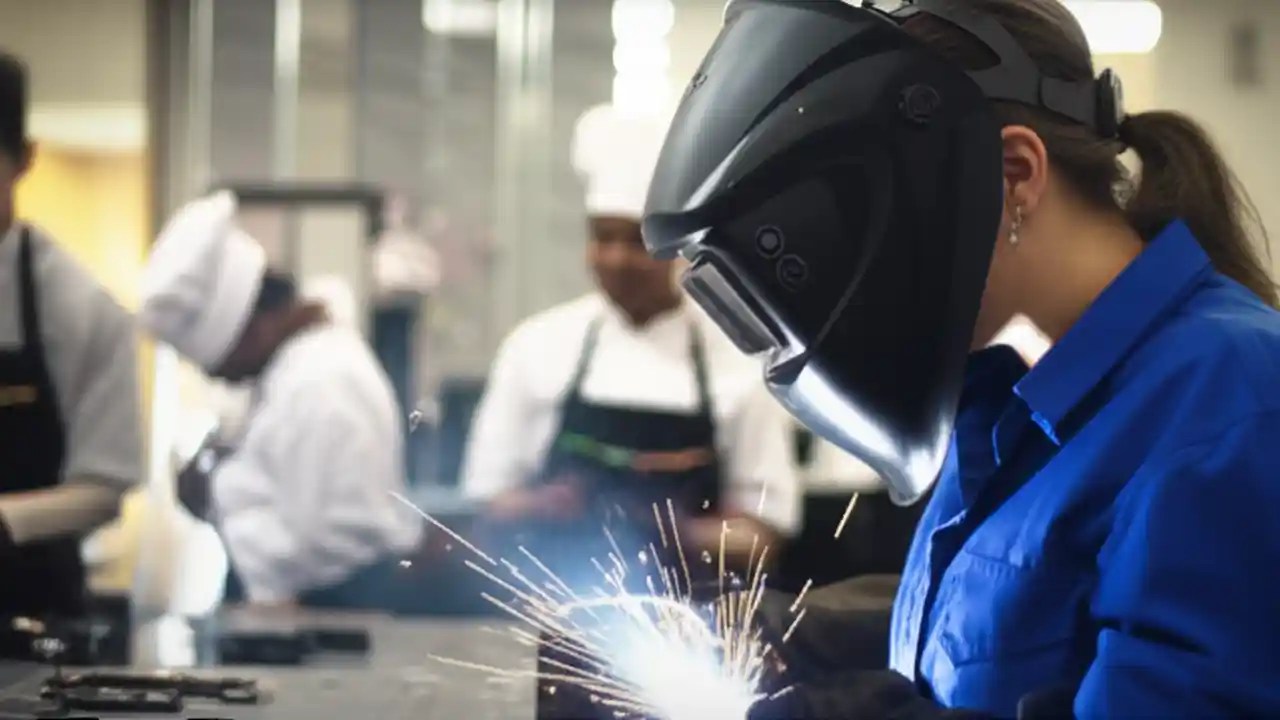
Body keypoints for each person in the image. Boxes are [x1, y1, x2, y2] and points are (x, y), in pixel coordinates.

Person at [644, 0, 1280, 717]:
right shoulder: (1014, 404)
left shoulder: (1234, 404)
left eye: (875, 252)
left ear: (1014, 175)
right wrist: (807, 636)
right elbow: (1021, 622)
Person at [461, 102, 801, 590]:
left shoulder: (740, 360)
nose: (617, 259)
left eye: (636, 243)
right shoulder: (536, 347)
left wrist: (677, 534)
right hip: (554, 599)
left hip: (691, 614)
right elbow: (487, 505)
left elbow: (763, 537)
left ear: (675, 248)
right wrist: (549, 507)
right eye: (602, 238)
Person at [140, 191, 422, 610]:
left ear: (253, 327)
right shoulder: (291, 372)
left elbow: (336, 544)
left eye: (223, 363)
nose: (220, 378)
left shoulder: (322, 382)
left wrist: (214, 494)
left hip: (330, 615)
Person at [0, 51, 140, 618]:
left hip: (30, 611)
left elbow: (104, 488)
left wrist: (6, 519)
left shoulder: (81, 308)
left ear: (23, 159)